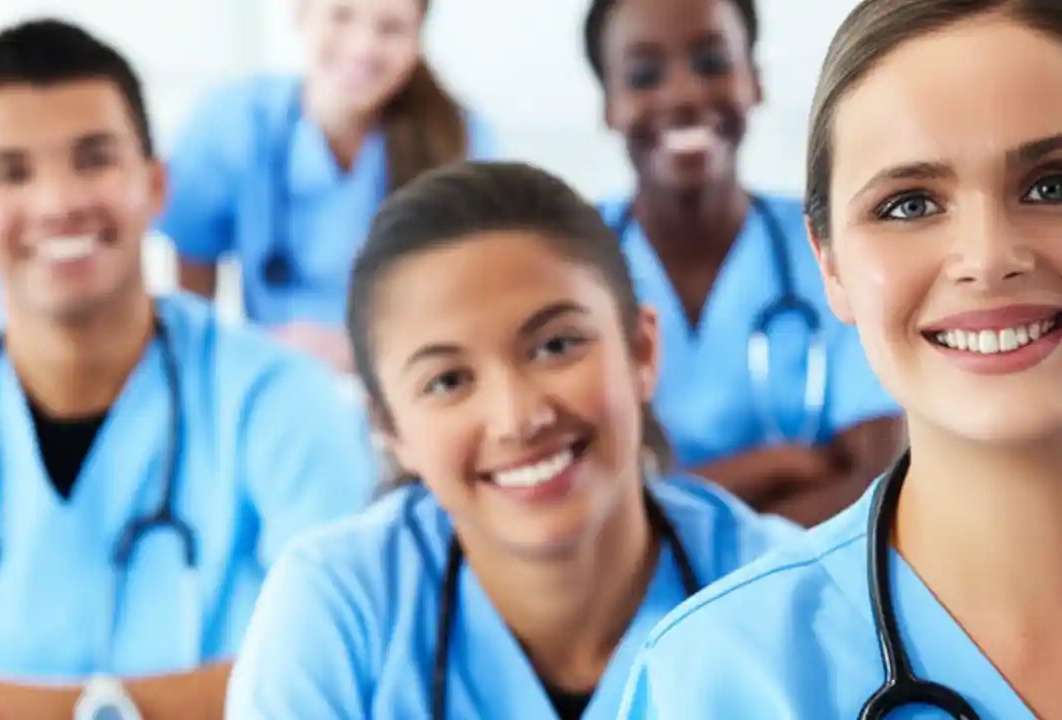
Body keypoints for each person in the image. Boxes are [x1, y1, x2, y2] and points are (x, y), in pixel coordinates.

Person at [0, 18, 378, 719]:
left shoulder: (284, 405)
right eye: (12, 172)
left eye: (93, 159)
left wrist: (49, 710)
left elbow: (346, 665)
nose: (59, 201)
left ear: (155, 187)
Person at [226, 161, 800, 720]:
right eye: (447, 381)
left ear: (642, 351)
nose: (517, 417)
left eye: (556, 346)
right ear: (389, 429)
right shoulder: (339, 607)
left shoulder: (786, 597)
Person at [619, 1, 1062, 717]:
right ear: (828, 264)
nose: (988, 258)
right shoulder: (719, 677)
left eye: (1052, 186)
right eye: (910, 205)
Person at [583, 0, 903, 527]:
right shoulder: (567, 266)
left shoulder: (836, 243)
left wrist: (667, 518)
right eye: (644, 75)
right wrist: (781, 464)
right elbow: (583, 503)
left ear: (754, 81)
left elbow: (880, 479)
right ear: (610, 105)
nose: (684, 93)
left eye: (711, 64)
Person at [158, 0, 496, 374]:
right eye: (342, 15)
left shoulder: (463, 142)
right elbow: (189, 301)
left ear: (418, 38)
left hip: (404, 379)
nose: (364, 47)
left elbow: (477, 304)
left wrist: (357, 353)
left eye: (391, 28)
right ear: (301, 13)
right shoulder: (234, 122)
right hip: (270, 382)